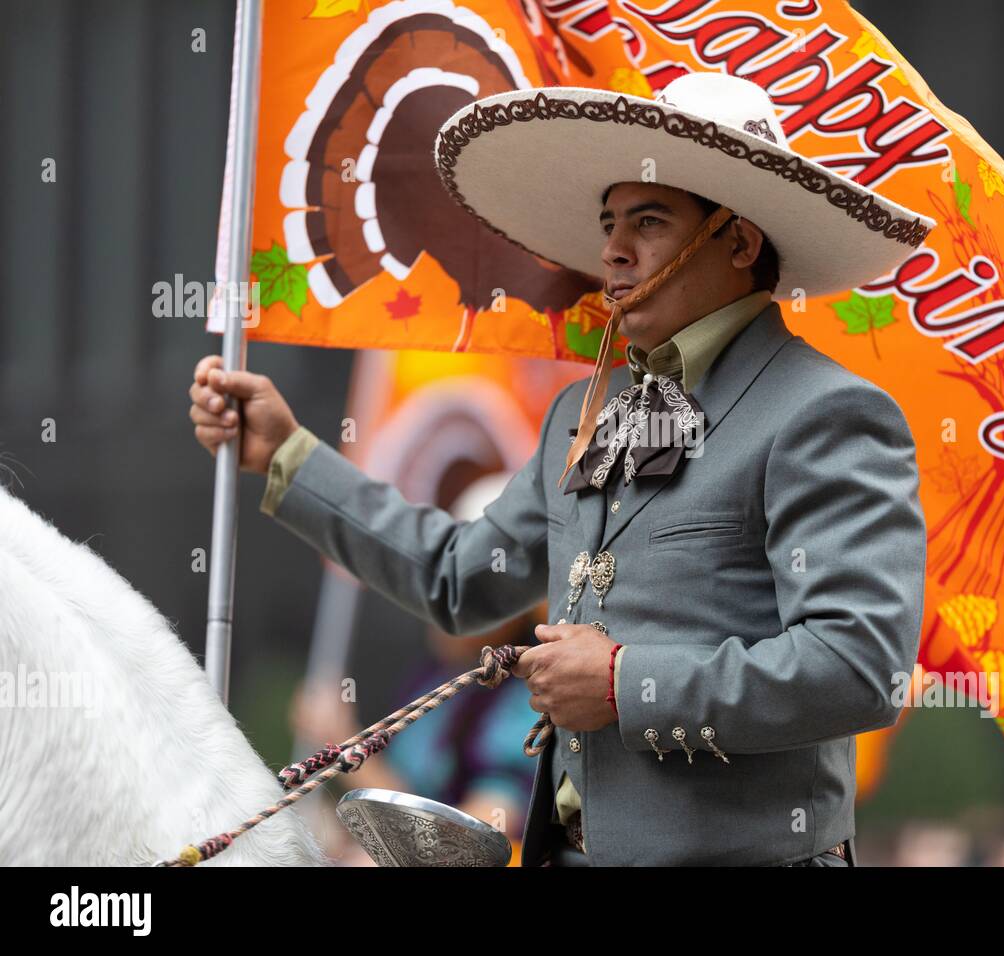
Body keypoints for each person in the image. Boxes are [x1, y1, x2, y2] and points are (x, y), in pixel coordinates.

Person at [188, 71, 933, 866]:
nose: (611, 249)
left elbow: (859, 669)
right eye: (611, 221)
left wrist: (625, 683)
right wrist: (289, 458)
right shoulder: (586, 410)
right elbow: (457, 578)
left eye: (648, 221)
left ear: (740, 241)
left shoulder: (823, 411)